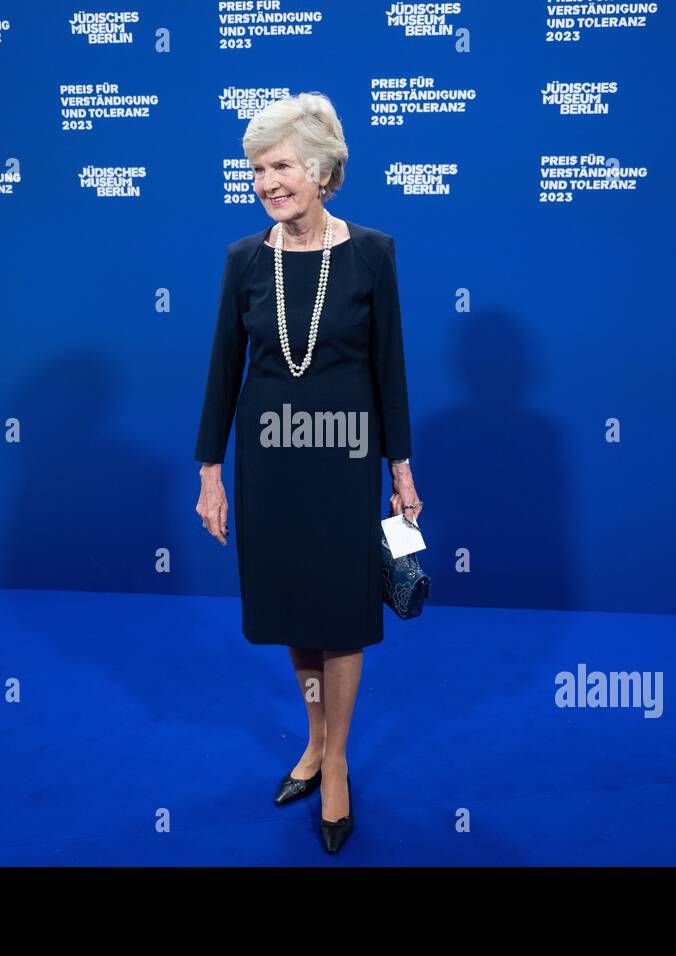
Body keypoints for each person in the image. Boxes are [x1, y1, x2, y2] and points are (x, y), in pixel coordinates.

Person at [194, 92, 422, 854]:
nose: (267, 180)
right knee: (294, 611)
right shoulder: (242, 261)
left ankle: (335, 766)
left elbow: (390, 368)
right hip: (271, 462)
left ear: (321, 170)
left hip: (344, 459)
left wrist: (401, 469)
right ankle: (316, 740)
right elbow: (224, 370)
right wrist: (210, 472)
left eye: (282, 165)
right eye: (257, 168)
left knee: (341, 613)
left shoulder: (373, 253)